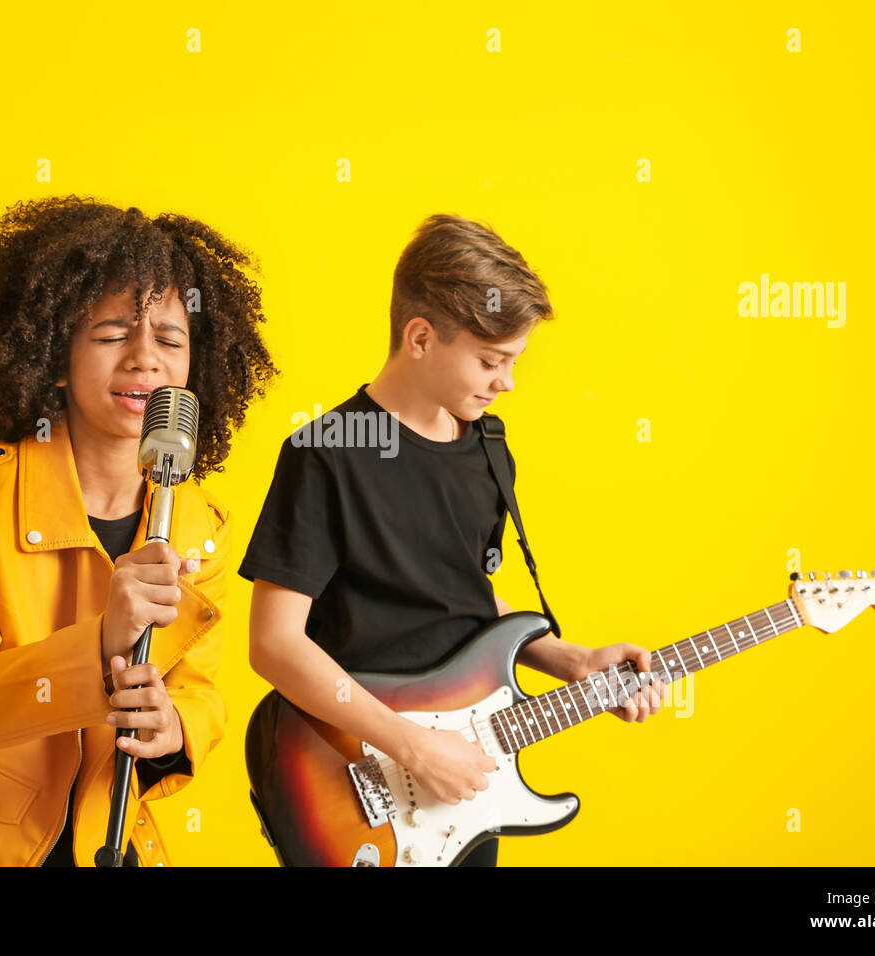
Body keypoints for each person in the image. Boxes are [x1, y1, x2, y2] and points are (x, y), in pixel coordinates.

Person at [239, 213, 665, 867]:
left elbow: (461, 600)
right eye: (491, 360)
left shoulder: (489, 451)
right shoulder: (326, 453)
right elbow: (274, 645)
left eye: (514, 361)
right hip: (361, 783)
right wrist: (412, 747)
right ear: (419, 337)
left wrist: (571, 661)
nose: (507, 382)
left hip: (465, 791)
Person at [0, 196, 276, 866]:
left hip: (109, 834)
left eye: (171, 340)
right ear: (54, 356)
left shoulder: (200, 526)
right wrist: (100, 641)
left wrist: (172, 727)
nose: (145, 360)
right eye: (114, 334)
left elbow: (198, 687)